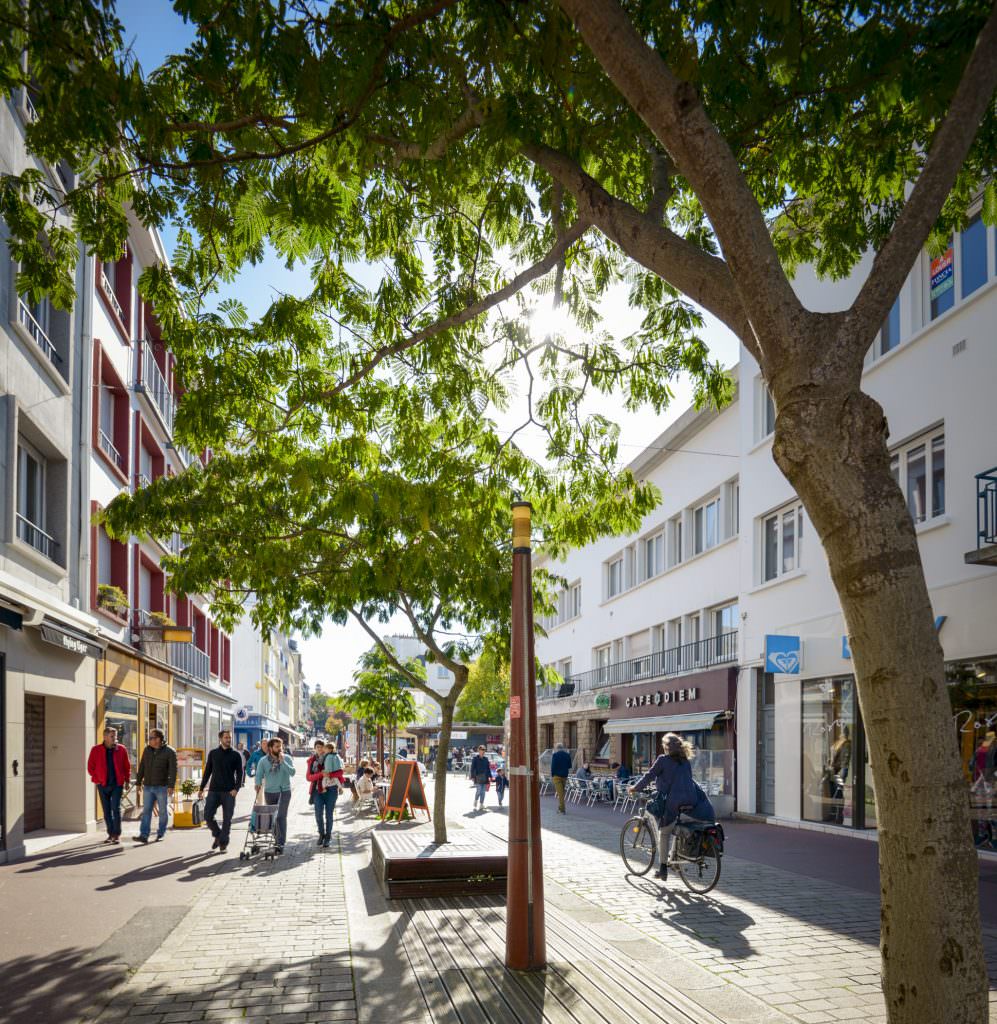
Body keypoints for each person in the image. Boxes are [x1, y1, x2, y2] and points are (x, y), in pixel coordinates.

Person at [631, 732, 715, 880]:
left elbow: (649, 775)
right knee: (677, 825)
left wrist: (635, 788)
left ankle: (663, 869)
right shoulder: (685, 761)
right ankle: (675, 860)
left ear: (667, 747)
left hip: (674, 802)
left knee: (664, 832)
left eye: (664, 745)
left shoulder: (663, 760)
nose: (663, 747)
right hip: (691, 801)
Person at [198, 729, 244, 853]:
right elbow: (207, 771)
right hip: (214, 791)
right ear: (220, 739)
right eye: (226, 737)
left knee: (227, 819)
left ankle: (223, 843)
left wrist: (236, 789)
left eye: (229, 737)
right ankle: (218, 835)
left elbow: (240, 773)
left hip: (229, 792)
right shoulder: (213, 753)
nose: (228, 739)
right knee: (207, 816)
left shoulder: (235, 755)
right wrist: (201, 788)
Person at [87, 726, 131, 845]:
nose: (115, 738)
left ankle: (116, 834)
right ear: (105, 737)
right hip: (103, 784)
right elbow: (90, 767)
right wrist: (97, 779)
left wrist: (127, 780)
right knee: (106, 811)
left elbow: (126, 766)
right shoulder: (96, 750)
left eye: (116, 736)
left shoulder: (121, 749)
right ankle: (110, 833)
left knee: (115, 809)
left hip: (117, 784)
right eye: (112, 736)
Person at [134, 729, 177, 844]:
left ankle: (160, 833)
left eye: (151, 738)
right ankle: (144, 835)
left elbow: (173, 770)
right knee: (146, 811)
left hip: (162, 787)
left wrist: (171, 786)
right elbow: (142, 766)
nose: (149, 740)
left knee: (162, 811)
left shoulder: (170, 751)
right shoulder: (147, 750)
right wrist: (138, 782)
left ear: (158, 739)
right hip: (148, 786)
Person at [255, 736, 295, 853]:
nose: (280, 749)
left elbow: (292, 772)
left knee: (281, 817)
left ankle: (280, 843)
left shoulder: (286, 758)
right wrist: (257, 784)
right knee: (273, 818)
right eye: (277, 747)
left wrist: (282, 762)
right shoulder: (263, 761)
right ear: (271, 748)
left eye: (281, 746)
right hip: (269, 792)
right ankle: (277, 840)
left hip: (284, 791)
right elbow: (259, 774)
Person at [550, 742, 571, 814]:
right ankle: (560, 808)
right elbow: (569, 766)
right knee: (562, 793)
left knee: (560, 793)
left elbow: (553, 766)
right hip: (564, 776)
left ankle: (562, 809)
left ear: (557, 748)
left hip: (557, 776)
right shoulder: (567, 755)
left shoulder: (555, 755)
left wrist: (552, 775)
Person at [470, 745, 491, 810]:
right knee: (478, 791)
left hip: (485, 777)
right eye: (481, 749)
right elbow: (472, 768)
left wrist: (490, 776)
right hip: (478, 777)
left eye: (484, 750)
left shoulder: (486, 759)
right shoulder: (475, 758)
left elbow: (488, 768)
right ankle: (476, 801)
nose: (483, 751)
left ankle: (481, 804)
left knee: (483, 792)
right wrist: (472, 776)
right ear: (478, 750)